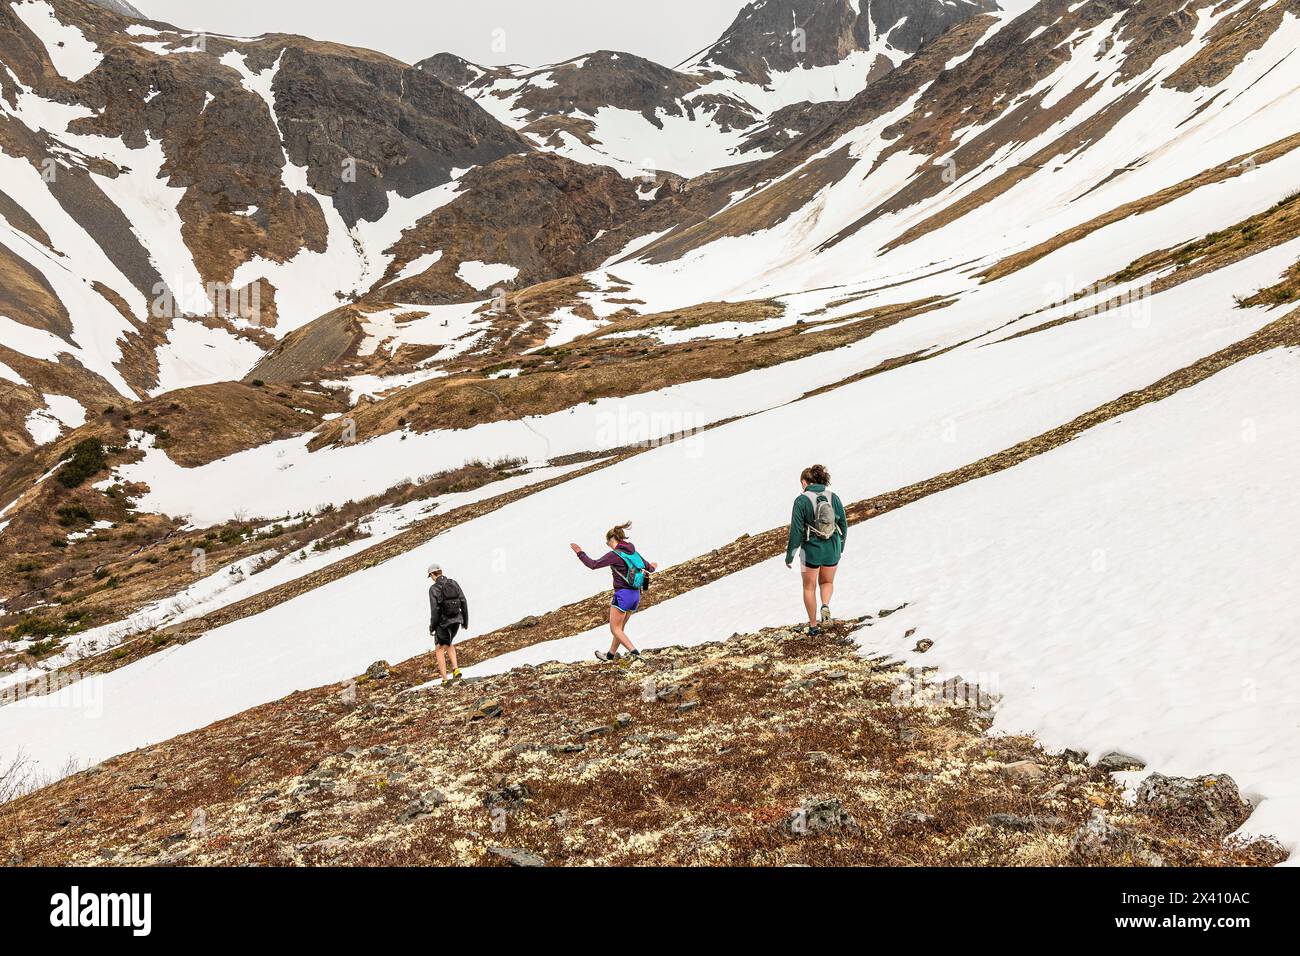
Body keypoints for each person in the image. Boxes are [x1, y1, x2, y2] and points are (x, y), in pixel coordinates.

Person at [570, 521, 657, 664]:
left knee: (615, 629)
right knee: (620, 628)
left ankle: (635, 653)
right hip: (636, 595)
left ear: (612, 539)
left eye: (607, 542)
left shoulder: (615, 555)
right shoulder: (633, 552)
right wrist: (653, 566)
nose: (608, 545)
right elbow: (649, 568)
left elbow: (593, 564)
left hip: (622, 595)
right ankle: (610, 655)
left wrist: (580, 552)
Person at [784, 464, 847, 635]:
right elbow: (843, 524)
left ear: (804, 483)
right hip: (832, 547)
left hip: (811, 550)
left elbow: (796, 532)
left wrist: (790, 556)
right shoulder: (833, 497)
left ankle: (813, 626)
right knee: (827, 582)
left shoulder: (801, 500)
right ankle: (825, 605)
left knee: (809, 588)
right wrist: (841, 545)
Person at [427, 563, 469, 685]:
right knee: (448, 643)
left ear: (432, 575)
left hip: (443, 623)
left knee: (439, 648)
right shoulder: (453, 583)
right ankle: (455, 669)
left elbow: (435, 610)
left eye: (431, 576)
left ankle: (445, 679)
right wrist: (465, 621)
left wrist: (432, 626)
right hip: (457, 620)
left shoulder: (433, 589)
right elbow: (463, 601)